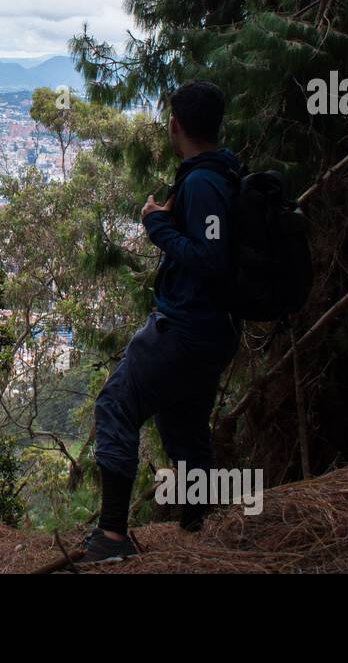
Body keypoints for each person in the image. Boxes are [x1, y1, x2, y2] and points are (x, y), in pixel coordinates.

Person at [79, 80, 242, 564]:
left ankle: (111, 538)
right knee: (186, 425)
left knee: (116, 404)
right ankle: (196, 529)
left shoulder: (202, 182)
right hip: (215, 332)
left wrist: (156, 226)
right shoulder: (223, 173)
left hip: (186, 328)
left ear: (175, 125)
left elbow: (210, 257)